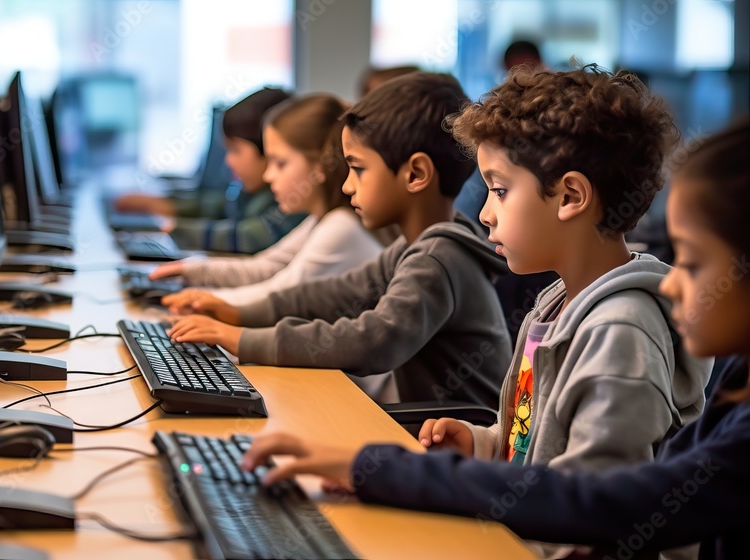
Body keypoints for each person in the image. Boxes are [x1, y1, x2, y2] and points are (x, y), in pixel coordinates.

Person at [241, 119, 750, 560]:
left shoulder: (623, 332)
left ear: (571, 196)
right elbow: (531, 450)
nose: (484, 213)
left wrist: (386, 472)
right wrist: (482, 444)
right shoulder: (555, 303)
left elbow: (596, 506)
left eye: (500, 190)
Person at [167, 72, 512, 407]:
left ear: (416, 174)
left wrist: (241, 339)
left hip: (449, 445)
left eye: (359, 169)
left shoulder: (439, 256)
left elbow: (371, 340)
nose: (347, 186)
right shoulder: (414, 246)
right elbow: (331, 296)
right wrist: (236, 312)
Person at [148, 94, 384, 307]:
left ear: (320, 166)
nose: (269, 175)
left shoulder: (341, 226)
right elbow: (265, 268)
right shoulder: (320, 220)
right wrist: (190, 272)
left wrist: (198, 300)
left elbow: (278, 295)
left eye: (280, 163)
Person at [114, 87, 306, 254]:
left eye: (235, 150)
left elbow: (248, 236)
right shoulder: (249, 192)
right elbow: (214, 206)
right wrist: (156, 205)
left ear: (267, 148)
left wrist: (174, 229)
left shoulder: (294, 198)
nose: (228, 161)